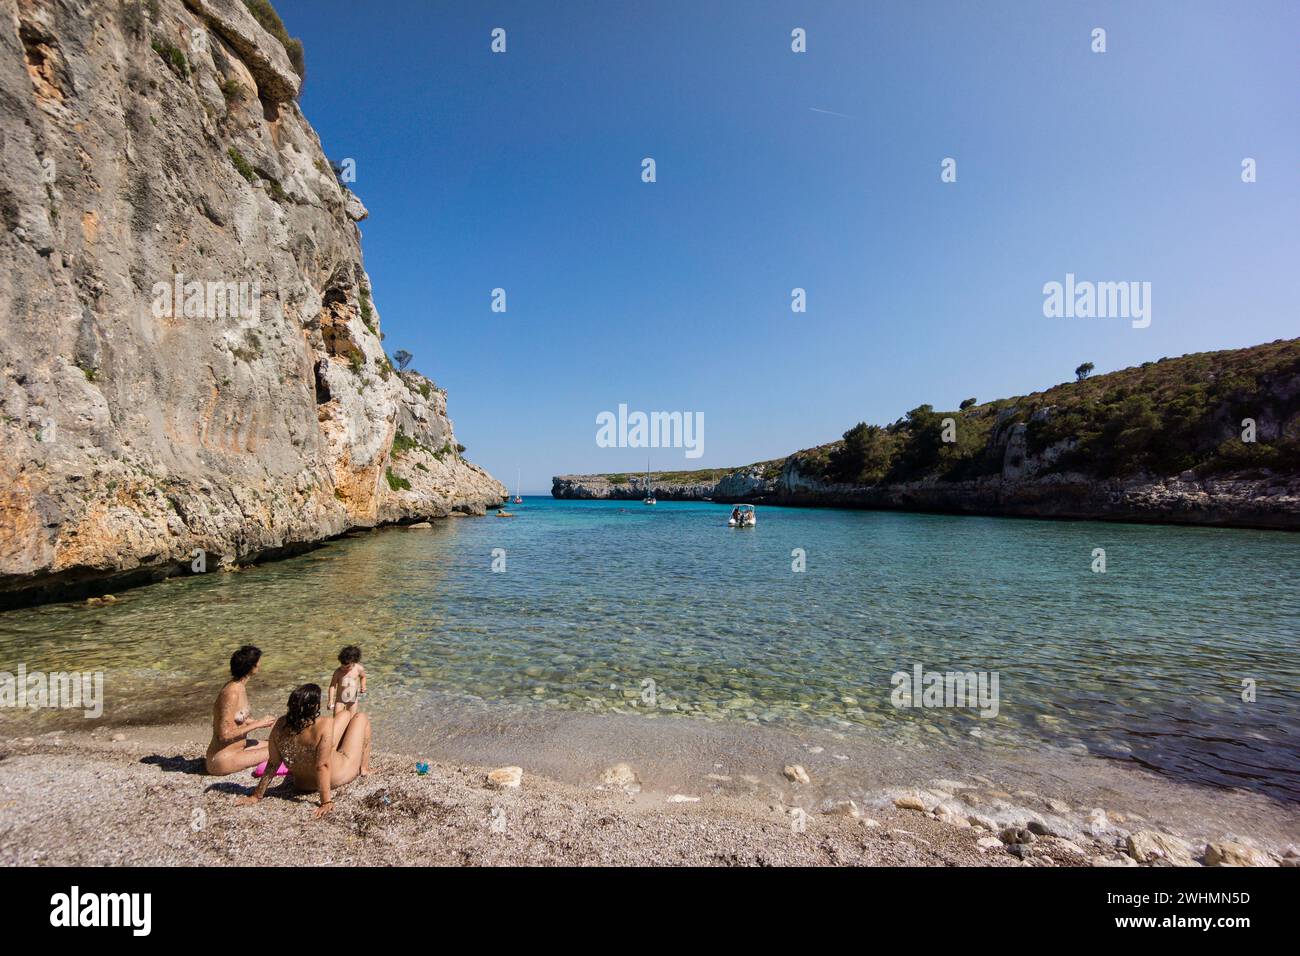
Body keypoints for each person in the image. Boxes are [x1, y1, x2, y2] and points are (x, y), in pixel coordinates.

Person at [236, 684, 372, 819]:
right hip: (336, 776)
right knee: (360, 717)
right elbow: (322, 766)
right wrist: (326, 801)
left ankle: (340, 748)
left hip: (302, 783)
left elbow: (273, 763)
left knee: (345, 714)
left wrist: (256, 795)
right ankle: (364, 768)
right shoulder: (324, 724)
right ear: (314, 706)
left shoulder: (280, 725)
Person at [205, 645, 276, 775]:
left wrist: (261, 722)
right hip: (223, 758)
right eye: (258, 662)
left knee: (274, 743)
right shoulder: (231, 693)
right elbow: (224, 735)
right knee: (279, 749)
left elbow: (238, 719)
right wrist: (258, 725)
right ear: (251, 667)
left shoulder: (239, 687)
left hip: (238, 748)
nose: (260, 665)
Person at [327, 645, 366, 721]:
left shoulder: (359, 669)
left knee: (351, 720)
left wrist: (363, 685)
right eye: (342, 666)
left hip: (352, 700)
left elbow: (363, 677)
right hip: (340, 700)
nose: (343, 668)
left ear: (354, 662)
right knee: (337, 720)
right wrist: (330, 700)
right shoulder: (338, 672)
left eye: (347, 667)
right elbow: (332, 686)